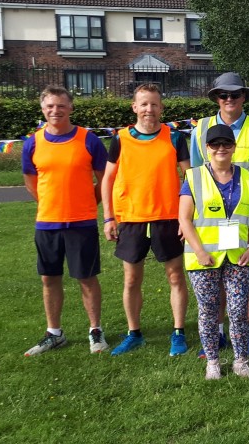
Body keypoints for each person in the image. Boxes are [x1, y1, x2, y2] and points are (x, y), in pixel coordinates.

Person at [190, 72, 249, 355]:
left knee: (244, 273)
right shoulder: (200, 128)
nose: (229, 99)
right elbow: (192, 175)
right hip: (210, 217)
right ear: (216, 97)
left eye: (235, 94)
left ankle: (247, 331)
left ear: (243, 98)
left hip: (245, 212)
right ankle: (217, 334)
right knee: (213, 273)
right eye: (223, 95)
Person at [101, 84, 191, 356]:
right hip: (132, 218)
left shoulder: (174, 138)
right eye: (144, 104)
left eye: (154, 104)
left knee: (175, 276)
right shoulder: (120, 139)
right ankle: (134, 333)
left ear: (161, 108)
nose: (149, 109)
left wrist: (187, 218)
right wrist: (108, 218)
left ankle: (178, 333)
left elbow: (191, 179)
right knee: (131, 279)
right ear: (134, 107)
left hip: (168, 217)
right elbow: (107, 179)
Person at [22, 85, 109, 356]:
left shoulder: (88, 140)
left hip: (81, 222)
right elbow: (31, 183)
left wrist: (87, 203)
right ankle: (54, 333)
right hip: (47, 223)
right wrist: (50, 205)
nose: (55, 110)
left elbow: (105, 178)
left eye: (60, 105)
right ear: (42, 109)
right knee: (49, 279)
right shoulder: (33, 142)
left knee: (86, 277)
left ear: (71, 108)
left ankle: (95, 330)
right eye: (49, 106)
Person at [179, 124, 249, 380]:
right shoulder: (193, 177)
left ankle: (240, 359)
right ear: (207, 149)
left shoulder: (248, 177)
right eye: (215, 145)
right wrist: (200, 252)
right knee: (209, 310)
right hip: (204, 258)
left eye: (226, 144)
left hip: (239, 255)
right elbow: (184, 219)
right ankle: (213, 361)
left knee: (238, 310)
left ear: (234, 147)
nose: (221, 149)